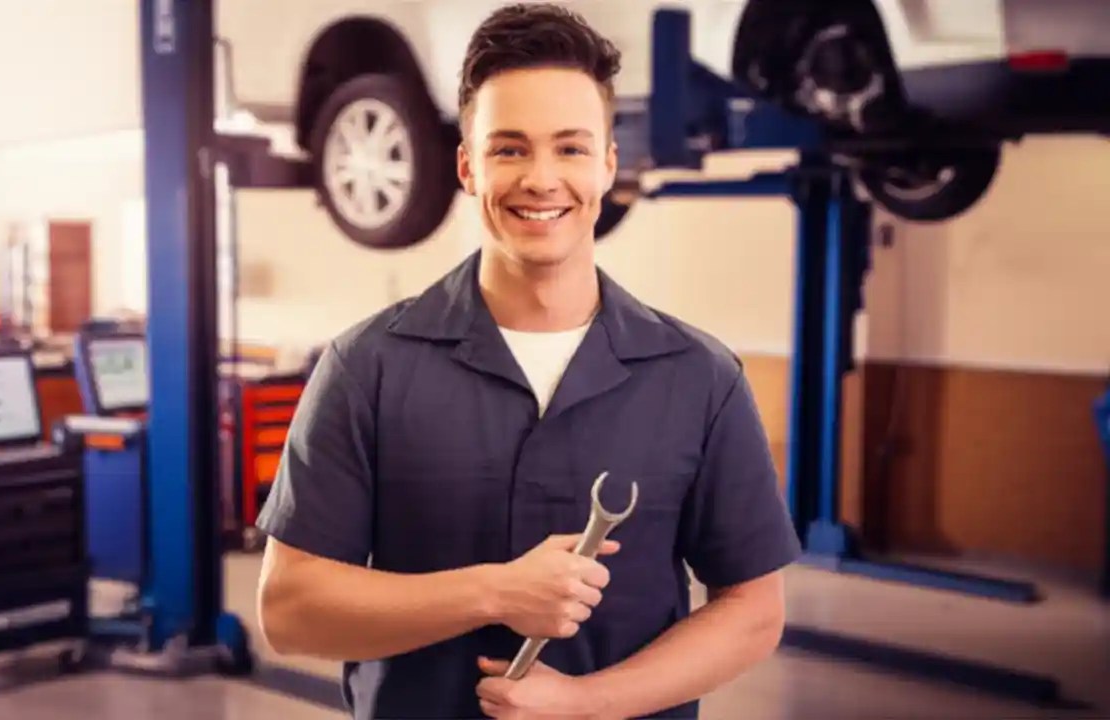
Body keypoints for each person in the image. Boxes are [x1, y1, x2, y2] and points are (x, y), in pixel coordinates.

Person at [255, 4, 802, 718]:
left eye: (570, 149)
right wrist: (494, 591)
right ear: (466, 166)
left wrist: (585, 702)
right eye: (509, 149)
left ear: (609, 165)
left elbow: (754, 611)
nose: (542, 179)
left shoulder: (700, 379)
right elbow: (290, 610)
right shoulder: (368, 368)